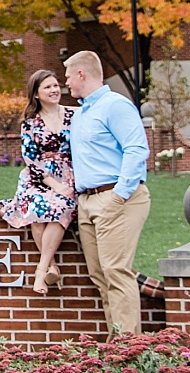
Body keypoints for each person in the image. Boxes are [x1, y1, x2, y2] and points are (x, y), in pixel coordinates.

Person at [63, 50, 151, 336]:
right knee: (100, 276)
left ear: (81, 74)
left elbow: (136, 149)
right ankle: (116, 342)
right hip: (87, 201)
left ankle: (129, 348)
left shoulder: (116, 106)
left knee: (116, 271)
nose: (66, 83)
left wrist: (119, 195)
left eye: (68, 77)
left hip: (116, 196)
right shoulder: (82, 114)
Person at [0, 69, 76, 295]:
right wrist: (54, 184)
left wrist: (65, 185)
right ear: (36, 94)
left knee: (61, 208)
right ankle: (48, 268)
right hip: (38, 177)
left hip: (67, 174)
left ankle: (41, 269)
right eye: (48, 87)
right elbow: (30, 158)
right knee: (36, 211)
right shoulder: (30, 123)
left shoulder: (74, 115)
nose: (54, 90)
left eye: (56, 86)